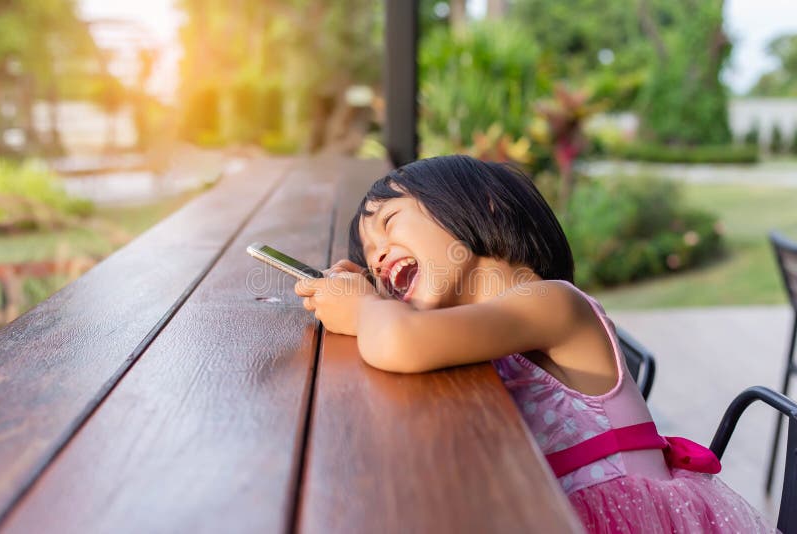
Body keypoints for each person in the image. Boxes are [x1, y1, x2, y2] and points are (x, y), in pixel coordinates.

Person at [294, 155, 776, 533]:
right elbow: (406, 336)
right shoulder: (478, 325)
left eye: (391, 222)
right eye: (369, 252)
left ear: (486, 205)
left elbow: (399, 342)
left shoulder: (552, 304)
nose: (376, 255)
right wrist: (372, 297)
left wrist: (362, 310)